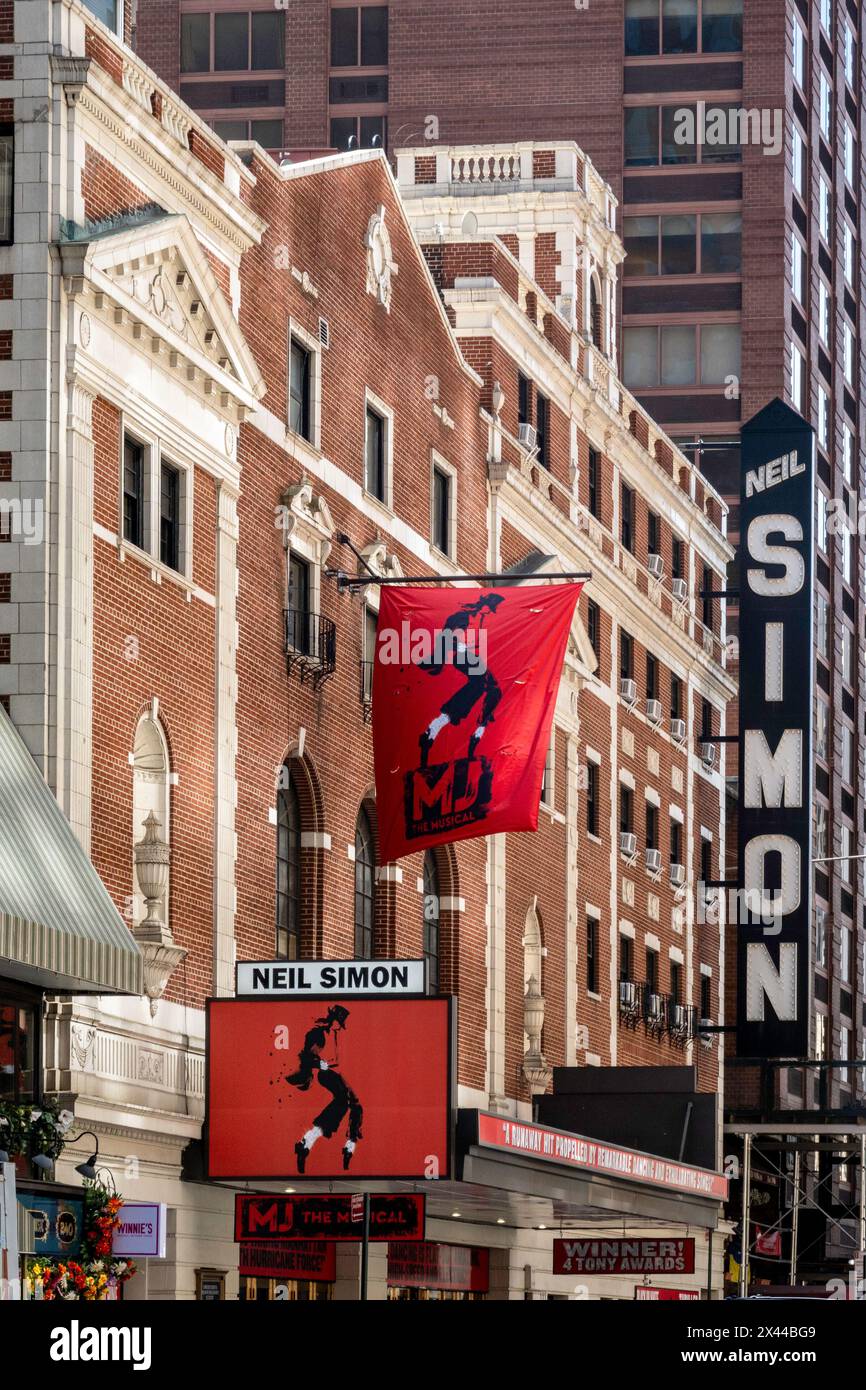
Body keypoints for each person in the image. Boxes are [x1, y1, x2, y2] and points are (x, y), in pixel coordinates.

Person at [418, 593, 504, 766]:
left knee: (488, 687)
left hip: (467, 656)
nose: (490, 612)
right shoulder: (464, 617)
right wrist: (462, 647)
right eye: (490, 608)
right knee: (485, 682)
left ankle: (450, 724)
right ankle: (476, 726)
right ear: (484, 604)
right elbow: (446, 637)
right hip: (458, 656)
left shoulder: (479, 619)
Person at [287, 1005, 363, 1172]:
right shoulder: (319, 1032)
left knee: (355, 1105)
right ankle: (306, 1142)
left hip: (336, 1073)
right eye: (340, 1022)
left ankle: (349, 1146)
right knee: (343, 1100)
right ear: (333, 1019)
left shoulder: (334, 1033)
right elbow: (305, 1055)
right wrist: (318, 1063)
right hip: (325, 1073)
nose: (341, 1026)